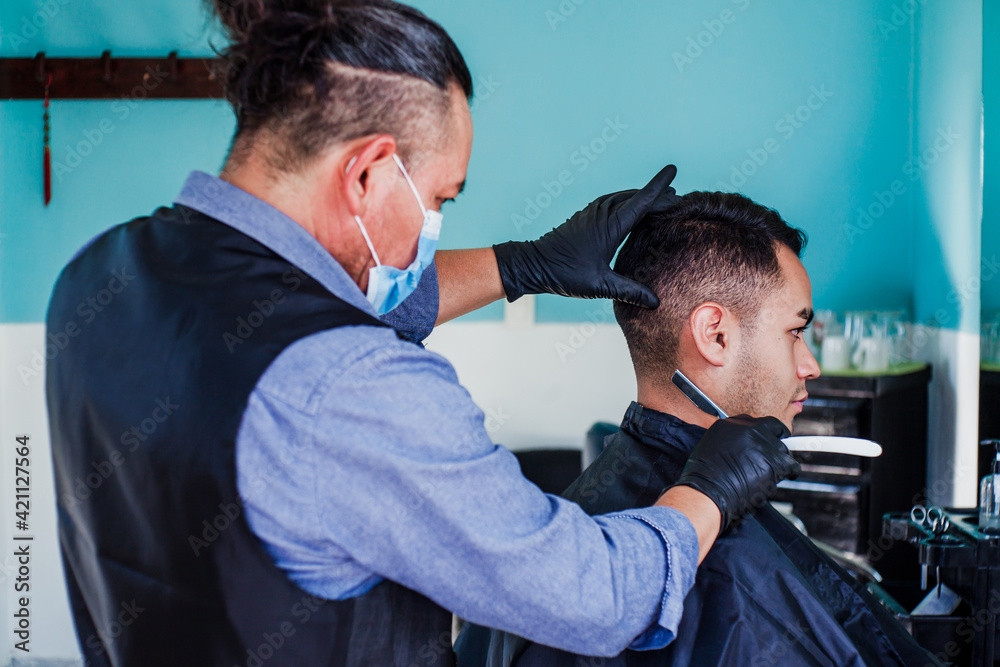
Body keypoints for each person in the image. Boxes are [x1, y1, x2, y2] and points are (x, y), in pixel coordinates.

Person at [44, 3, 800, 665]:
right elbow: (595, 595)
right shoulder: (354, 389)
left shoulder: (97, 279)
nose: (435, 231)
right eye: (440, 197)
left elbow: (296, 324)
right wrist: (708, 489)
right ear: (368, 173)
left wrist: (522, 264)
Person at [462, 191, 941, 666]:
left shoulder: (571, 527)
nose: (810, 365)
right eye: (796, 332)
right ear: (715, 335)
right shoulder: (730, 576)